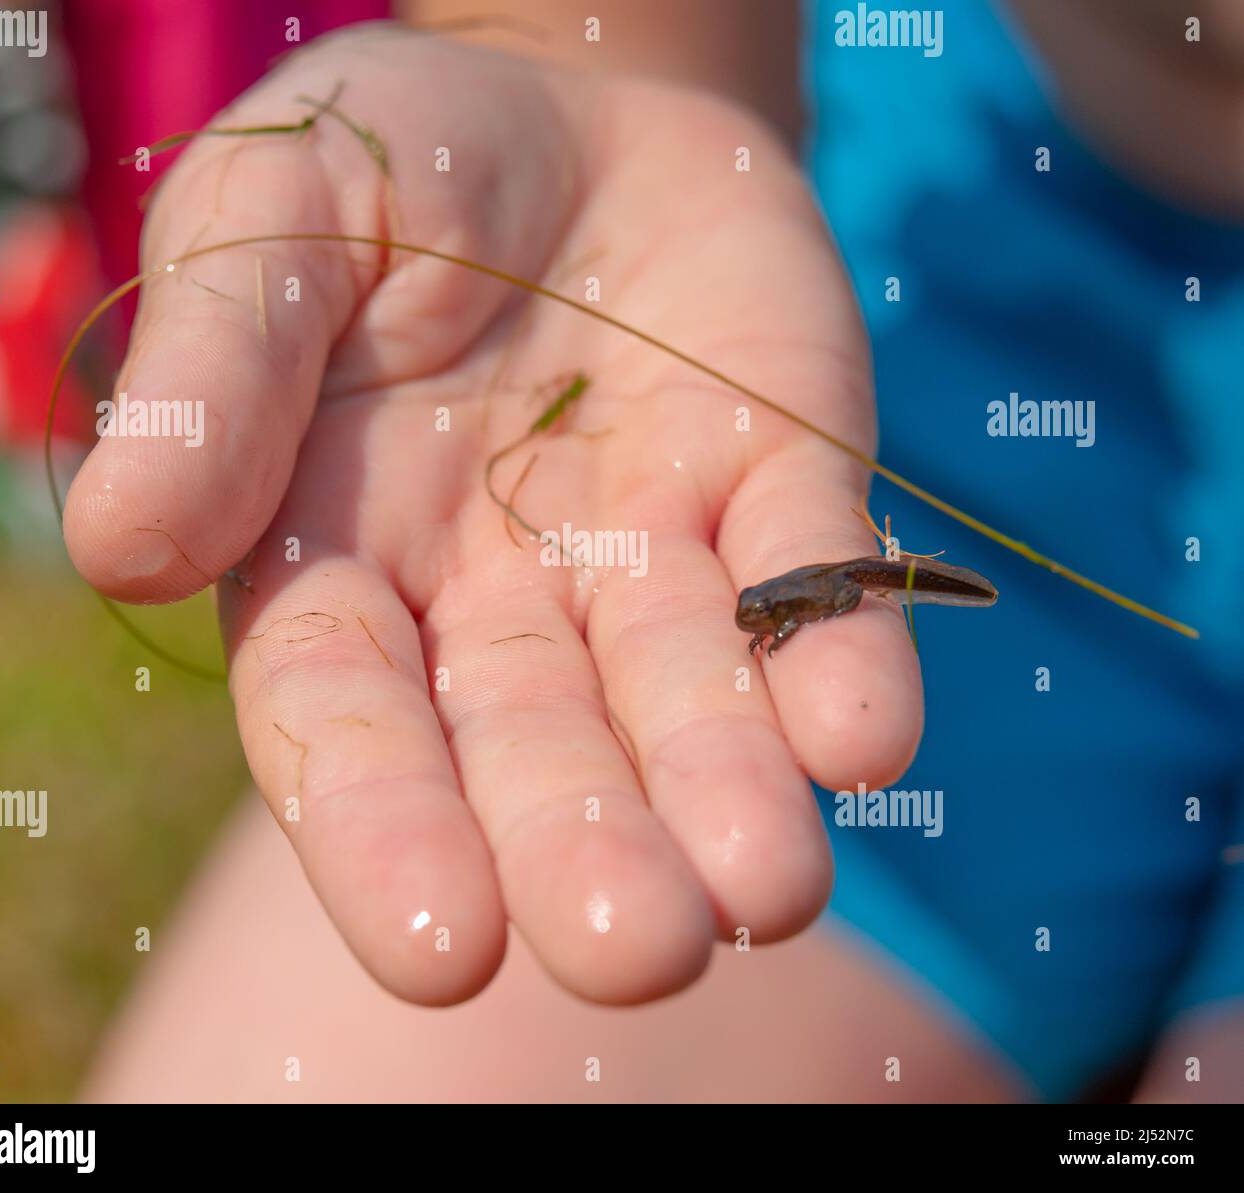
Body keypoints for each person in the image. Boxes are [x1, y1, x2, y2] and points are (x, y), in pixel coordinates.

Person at [74, 2, 1244, 1101]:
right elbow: (801, 589)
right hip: (900, 283)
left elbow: (813, 592)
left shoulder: (801, 596)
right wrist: (579, 59)